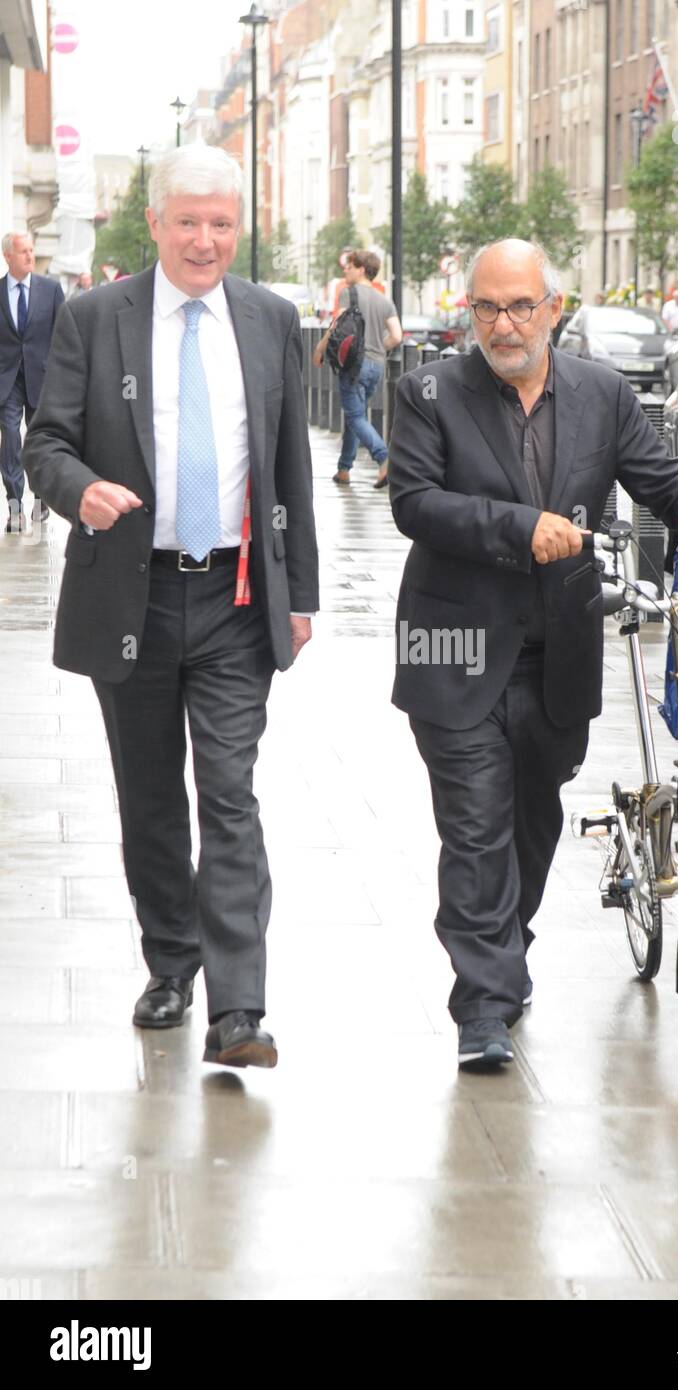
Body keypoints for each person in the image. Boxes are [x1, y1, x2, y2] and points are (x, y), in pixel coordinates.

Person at [387, 238, 678, 1068]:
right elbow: (415, 501)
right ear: (471, 312)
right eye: (487, 308)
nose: (503, 325)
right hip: (455, 644)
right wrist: (519, 528)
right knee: (474, 830)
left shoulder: (601, 394)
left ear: (554, 310)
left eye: (520, 307)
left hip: (559, 648)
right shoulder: (427, 390)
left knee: (533, 824)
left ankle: (505, 951)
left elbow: (660, 479)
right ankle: (482, 1007)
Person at [24, 146, 319, 1070]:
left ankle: (240, 1010)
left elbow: (289, 470)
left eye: (221, 223)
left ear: (240, 227)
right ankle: (171, 962)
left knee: (230, 794)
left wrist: (300, 592)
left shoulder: (272, 321)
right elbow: (45, 443)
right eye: (187, 221)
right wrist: (83, 494)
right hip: (134, 597)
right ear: (153, 224)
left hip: (234, 595)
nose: (204, 239)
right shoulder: (94, 318)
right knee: (152, 799)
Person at [313, 249, 402, 488]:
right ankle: (344, 469)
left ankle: (385, 460)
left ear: (362, 269)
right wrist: (377, 349)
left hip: (354, 365)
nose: (345, 269)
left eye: (350, 266)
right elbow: (397, 336)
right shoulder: (385, 300)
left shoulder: (348, 294)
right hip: (376, 366)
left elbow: (336, 326)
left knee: (354, 416)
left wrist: (320, 349)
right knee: (357, 416)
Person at [0, 232, 66, 530]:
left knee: (38, 440)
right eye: (23, 251)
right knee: (11, 439)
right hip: (7, 380)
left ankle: (40, 500)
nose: (30, 256)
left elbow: (65, 336)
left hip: (43, 377)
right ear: (7, 256)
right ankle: (15, 507)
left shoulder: (51, 290)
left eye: (31, 250)